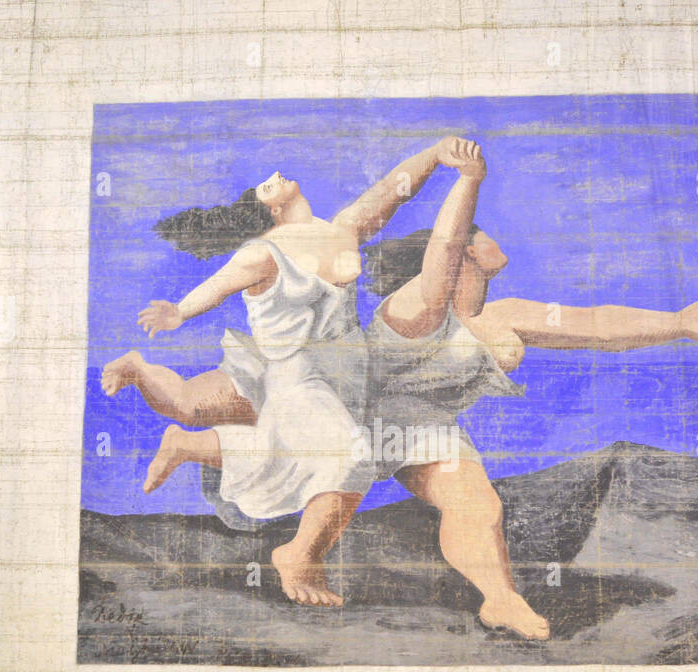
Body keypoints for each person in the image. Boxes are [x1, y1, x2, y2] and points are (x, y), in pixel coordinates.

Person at [101, 138, 485, 607]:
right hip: (296, 372)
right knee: (350, 455)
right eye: (266, 187)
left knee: (254, 437)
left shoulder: (342, 228)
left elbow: (393, 190)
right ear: (270, 211)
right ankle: (300, 555)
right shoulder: (262, 254)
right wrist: (178, 312)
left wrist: (437, 155)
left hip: (347, 374)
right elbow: (218, 287)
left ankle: (181, 440)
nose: (275, 177)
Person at [355, 224, 698, 639]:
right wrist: (468, 177)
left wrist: (679, 323)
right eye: (483, 234)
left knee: (478, 506)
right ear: (464, 252)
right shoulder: (414, 309)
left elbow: (596, 326)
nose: (497, 239)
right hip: (376, 417)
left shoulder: (503, 314)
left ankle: (500, 601)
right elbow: (447, 237)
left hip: (433, 425)